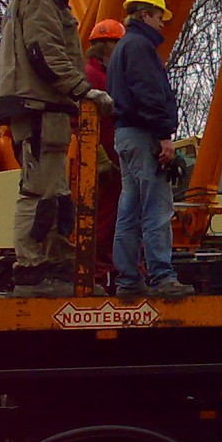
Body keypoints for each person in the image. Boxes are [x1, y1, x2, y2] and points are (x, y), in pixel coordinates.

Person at [0, 0, 115, 297]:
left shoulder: (40, 0)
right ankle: (32, 270)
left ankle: (56, 267)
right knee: (39, 193)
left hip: (45, 109)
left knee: (56, 193)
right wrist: (84, 92)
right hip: (39, 109)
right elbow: (45, 53)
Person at [107, 0, 194, 298]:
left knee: (128, 212)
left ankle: (128, 280)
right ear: (145, 14)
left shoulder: (122, 48)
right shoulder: (142, 48)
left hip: (125, 135)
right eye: (159, 17)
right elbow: (149, 94)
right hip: (144, 136)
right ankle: (161, 277)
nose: (162, 24)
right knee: (157, 208)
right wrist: (163, 136)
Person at [85, 19, 126, 289]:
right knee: (103, 217)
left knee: (115, 217)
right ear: (106, 45)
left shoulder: (104, 75)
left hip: (114, 157)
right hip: (103, 159)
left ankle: (107, 268)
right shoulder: (91, 77)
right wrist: (99, 156)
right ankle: (96, 272)